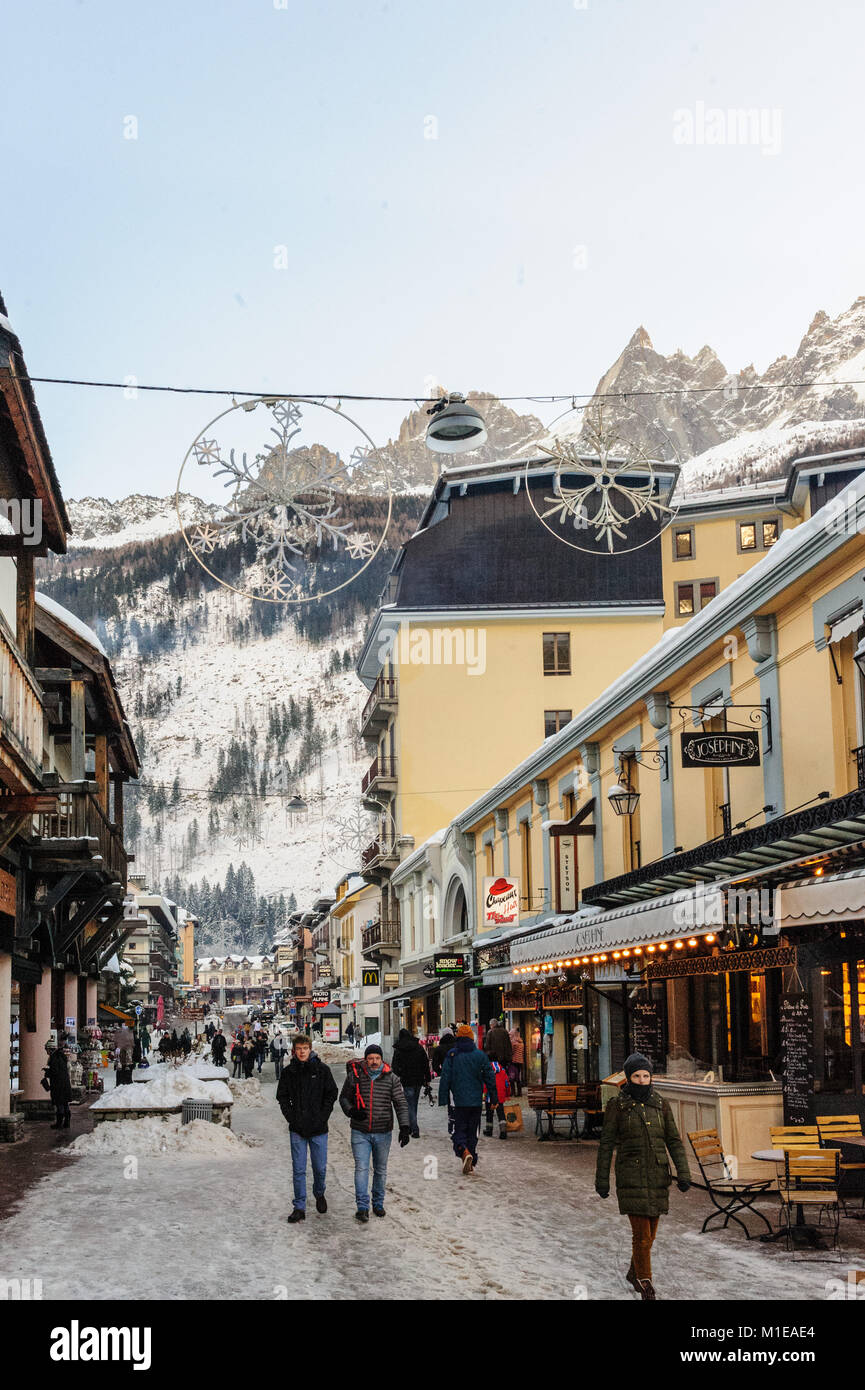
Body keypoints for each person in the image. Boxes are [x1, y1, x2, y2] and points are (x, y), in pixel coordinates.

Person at [595, 1053, 691, 1301]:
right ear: (628, 1078)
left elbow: (673, 1140)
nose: (641, 1080)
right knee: (642, 1235)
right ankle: (646, 1284)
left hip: (658, 1175)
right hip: (631, 1176)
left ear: (651, 1077)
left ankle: (633, 1272)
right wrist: (602, 1179)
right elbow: (606, 1145)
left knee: (651, 1235)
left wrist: (683, 1172)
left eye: (646, 1075)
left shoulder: (661, 1104)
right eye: (636, 1076)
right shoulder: (617, 1106)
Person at [339, 1043, 410, 1221]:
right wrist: (351, 1111)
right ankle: (362, 1206)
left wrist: (405, 1127)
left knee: (380, 1170)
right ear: (365, 1059)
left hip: (383, 1131)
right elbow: (344, 1098)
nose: (373, 1062)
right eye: (370, 1058)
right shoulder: (355, 1076)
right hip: (360, 1131)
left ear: (381, 1059)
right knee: (361, 1168)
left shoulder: (391, 1078)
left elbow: (400, 1103)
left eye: (377, 1058)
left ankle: (378, 1203)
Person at [277, 1035, 338, 1223]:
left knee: (319, 1167)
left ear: (310, 1049)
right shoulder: (289, 1072)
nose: (302, 1051)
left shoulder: (322, 1070)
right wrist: (292, 1118)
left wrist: (322, 1116)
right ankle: (299, 1206)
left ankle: (319, 1193)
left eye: (305, 1048)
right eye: (298, 1048)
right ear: (294, 1051)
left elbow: (331, 1094)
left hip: (319, 1128)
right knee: (299, 1169)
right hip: (298, 1129)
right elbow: (282, 1097)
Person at [438, 1024, 499, 1175]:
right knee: (472, 1131)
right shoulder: (480, 1055)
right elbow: (490, 1077)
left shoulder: (452, 1055)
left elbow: (445, 1077)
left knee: (458, 1131)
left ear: (457, 1037)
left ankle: (465, 1152)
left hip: (457, 1102)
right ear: (472, 1038)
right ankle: (470, 1156)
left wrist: (443, 1097)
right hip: (476, 1101)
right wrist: (494, 1097)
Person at [389, 1028, 431, 1139]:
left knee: (409, 1105)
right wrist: (427, 1078)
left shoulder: (399, 1049)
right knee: (413, 1104)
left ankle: (414, 1128)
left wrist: (399, 1076)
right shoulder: (418, 1047)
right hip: (418, 1080)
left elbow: (395, 1066)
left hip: (406, 1080)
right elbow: (425, 1063)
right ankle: (412, 1127)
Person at [45, 1043, 72, 1129]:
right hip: (65, 1083)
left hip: (58, 1085)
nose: (46, 1052)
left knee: (59, 1103)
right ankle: (67, 1122)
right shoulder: (62, 1056)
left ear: (50, 1049)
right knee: (65, 1103)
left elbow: (55, 1072)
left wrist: (47, 1072)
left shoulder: (54, 1058)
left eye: (47, 1050)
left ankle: (59, 1123)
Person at [483, 1058, 511, 1140]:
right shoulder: (502, 1070)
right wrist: (507, 1094)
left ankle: (489, 1130)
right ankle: (503, 1132)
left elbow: (485, 1084)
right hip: (500, 1095)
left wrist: (484, 1094)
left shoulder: (487, 1070)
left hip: (489, 1095)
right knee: (501, 1113)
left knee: (489, 1113)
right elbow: (507, 1083)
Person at [508, 1026, 525, 1096]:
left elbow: (511, 1052)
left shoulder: (513, 1043)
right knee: (518, 1077)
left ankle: (513, 1092)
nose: (509, 1036)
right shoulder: (521, 1042)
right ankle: (519, 1092)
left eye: (510, 1035)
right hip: (520, 1061)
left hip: (514, 1061)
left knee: (512, 1077)